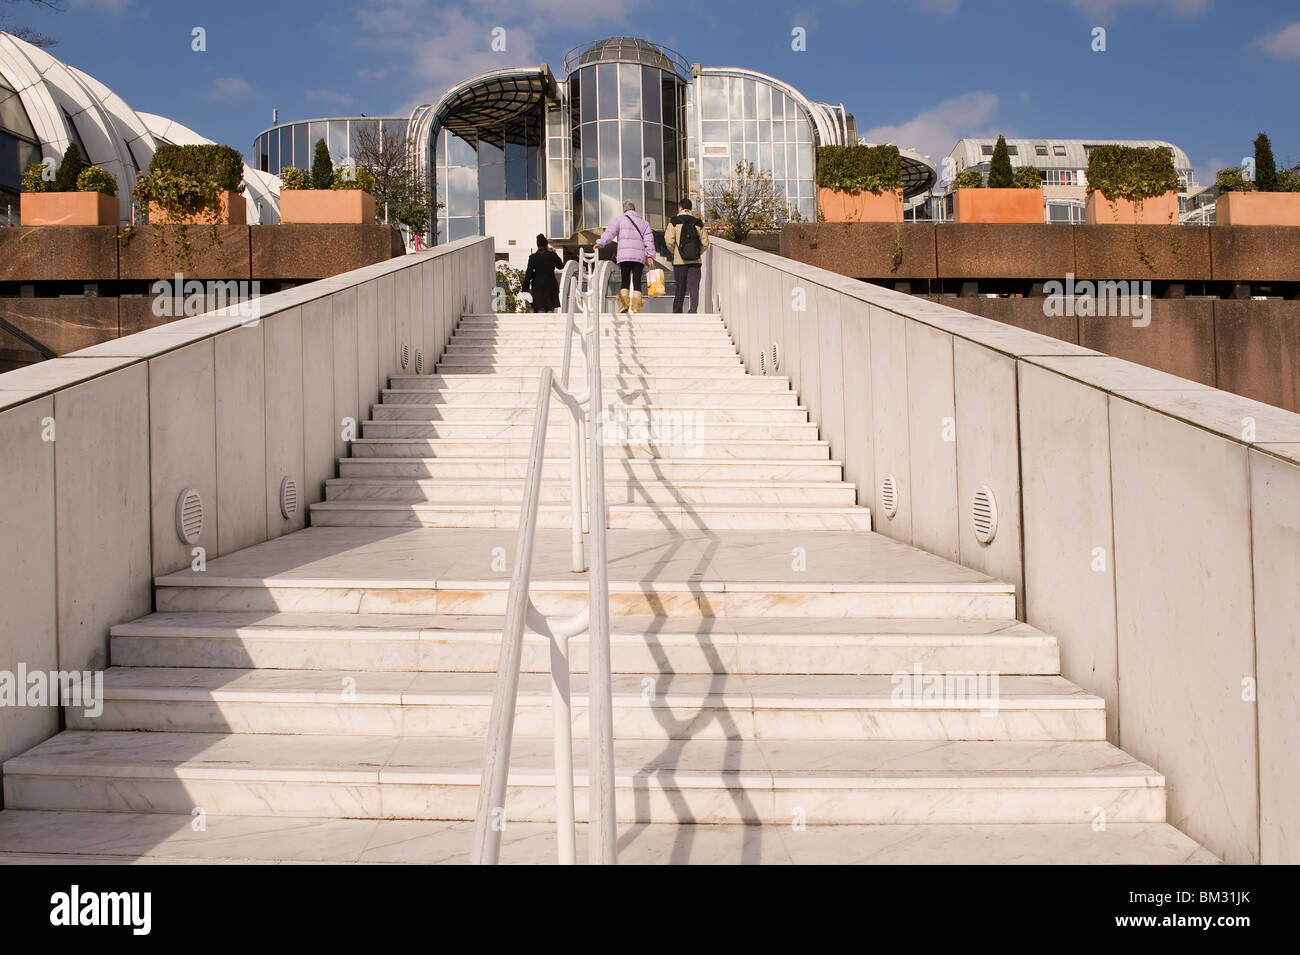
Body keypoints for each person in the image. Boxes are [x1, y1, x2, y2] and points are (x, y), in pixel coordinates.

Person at [595, 200, 656, 313]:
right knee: (637, 281)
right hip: (638, 257)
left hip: (624, 256)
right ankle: (636, 307)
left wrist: (600, 243)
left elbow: (609, 233)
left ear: (624, 210)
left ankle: (624, 305)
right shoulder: (644, 223)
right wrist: (650, 255)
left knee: (625, 280)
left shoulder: (619, 220)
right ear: (634, 209)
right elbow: (649, 240)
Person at [664, 197, 709, 313]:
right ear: (690, 208)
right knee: (694, 288)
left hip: (680, 262)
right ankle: (693, 311)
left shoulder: (674, 221)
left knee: (680, 287)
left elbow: (668, 240)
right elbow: (705, 243)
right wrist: (697, 253)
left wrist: (676, 252)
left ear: (680, 207)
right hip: (695, 262)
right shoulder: (698, 223)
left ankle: (677, 312)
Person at [522, 234, 563, 312]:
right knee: (550, 310)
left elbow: (528, 273)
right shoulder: (552, 255)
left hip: (538, 288)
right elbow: (560, 266)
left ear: (537, 245)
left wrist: (525, 289)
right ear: (546, 244)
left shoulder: (533, 257)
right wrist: (555, 253)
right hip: (551, 287)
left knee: (540, 310)